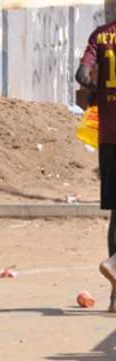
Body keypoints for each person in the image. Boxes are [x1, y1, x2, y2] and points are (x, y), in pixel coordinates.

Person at [76, 21, 116, 312]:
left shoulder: (101, 35)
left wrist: (100, 92)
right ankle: (115, 264)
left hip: (109, 134)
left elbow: (82, 75)